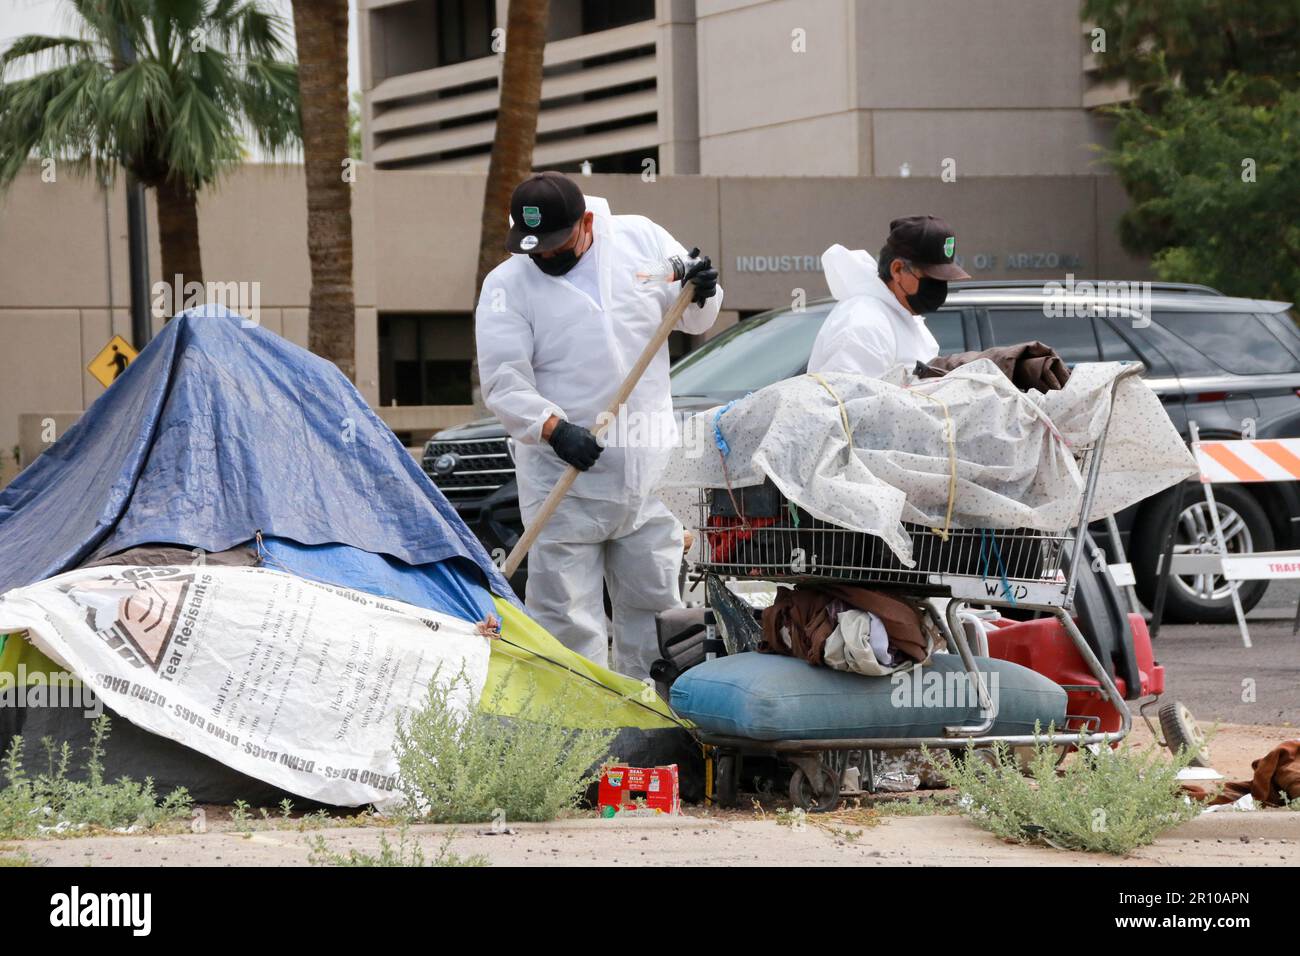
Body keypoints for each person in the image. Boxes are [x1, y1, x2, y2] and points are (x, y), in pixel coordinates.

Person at [475, 171, 721, 680]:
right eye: (533, 247)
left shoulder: (643, 241)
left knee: (656, 612)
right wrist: (553, 428)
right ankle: (582, 739)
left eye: (555, 244)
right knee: (567, 616)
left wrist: (704, 292)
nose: (544, 256)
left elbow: (694, 320)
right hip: (564, 482)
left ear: (586, 222)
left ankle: (654, 731)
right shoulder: (506, 285)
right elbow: (503, 380)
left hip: (650, 472)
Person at [807, 215, 970, 378]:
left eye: (943, 279)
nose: (939, 287)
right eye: (931, 278)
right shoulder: (864, 323)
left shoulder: (902, 317)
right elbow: (848, 398)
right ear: (897, 269)